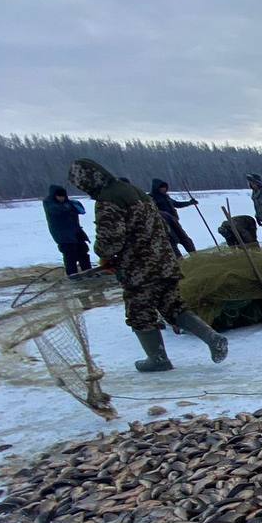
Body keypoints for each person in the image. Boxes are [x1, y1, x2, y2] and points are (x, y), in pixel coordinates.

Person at [68, 158, 227, 372]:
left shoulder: (108, 200)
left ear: (87, 181)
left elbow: (110, 240)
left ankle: (158, 359)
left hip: (138, 270)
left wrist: (104, 255)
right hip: (164, 261)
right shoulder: (135, 191)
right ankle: (212, 338)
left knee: (139, 314)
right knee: (173, 306)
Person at [42, 184, 92, 276]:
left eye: (63, 196)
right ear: (54, 196)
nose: (61, 198)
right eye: (59, 196)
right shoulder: (49, 203)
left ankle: (88, 271)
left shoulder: (69, 203)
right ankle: (72, 274)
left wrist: (74, 205)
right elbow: (56, 210)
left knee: (83, 251)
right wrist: (69, 206)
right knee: (70, 255)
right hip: (63, 235)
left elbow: (81, 210)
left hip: (76, 232)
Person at [149, 179, 198, 255]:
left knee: (184, 238)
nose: (164, 189)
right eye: (162, 187)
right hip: (164, 224)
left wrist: (190, 202)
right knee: (172, 241)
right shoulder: (151, 198)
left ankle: (194, 254)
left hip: (174, 221)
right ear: (157, 188)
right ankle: (179, 259)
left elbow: (176, 204)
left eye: (165, 187)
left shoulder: (166, 197)